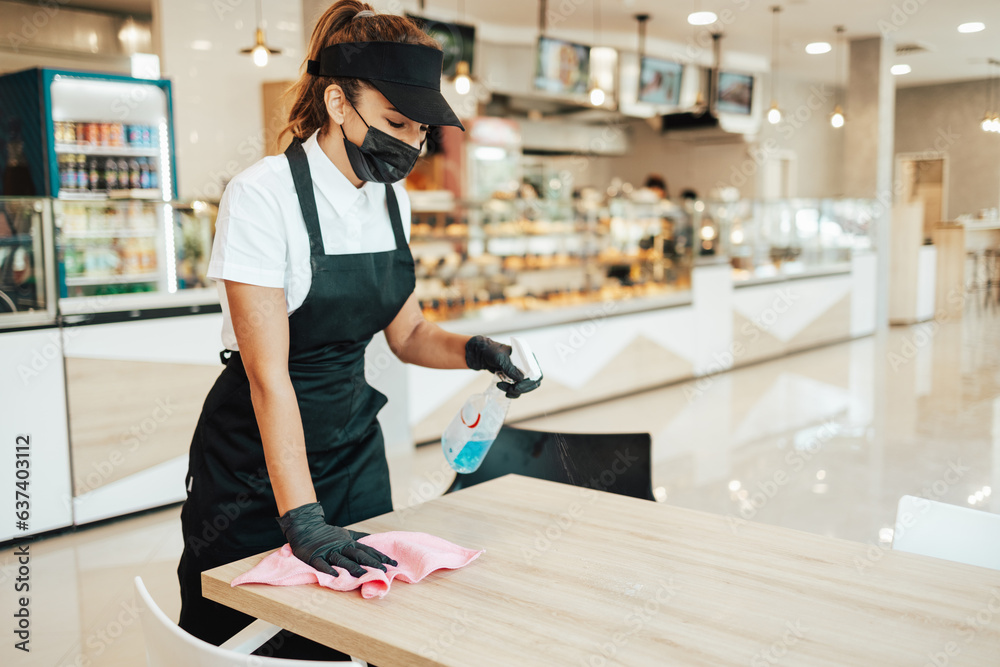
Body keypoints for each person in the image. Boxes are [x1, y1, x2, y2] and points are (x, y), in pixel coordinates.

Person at [176, 2, 542, 659]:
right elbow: (268, 376)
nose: (412, 144)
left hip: (352, 450)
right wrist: (302, 519)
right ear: (339, 102)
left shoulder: (388, 197)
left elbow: (407, 334)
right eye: (396, 122)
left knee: (369, 631)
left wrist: (476, 351)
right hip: (258, 466)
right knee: (249, 635)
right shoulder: (263, 197)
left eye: (421, 129)